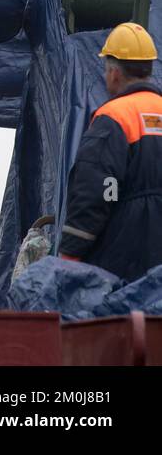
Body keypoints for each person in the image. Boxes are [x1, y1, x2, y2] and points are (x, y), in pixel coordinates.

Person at [60, 22, 162, 280]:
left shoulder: (114, 117)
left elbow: (94, 192)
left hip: (124, 264)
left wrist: (69, 256)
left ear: (115, 72)